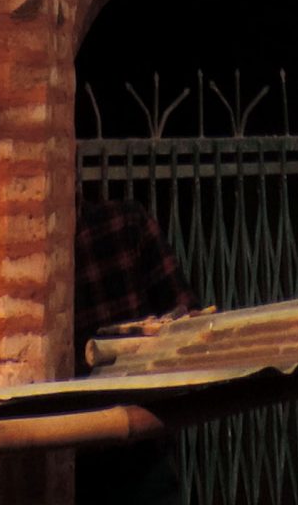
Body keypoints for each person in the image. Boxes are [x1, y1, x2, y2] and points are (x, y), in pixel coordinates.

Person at [73, 197, 193, 505]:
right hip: (138, 435)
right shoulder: (126, 223)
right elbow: (186, 319)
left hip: (82, 445)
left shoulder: (123, 225)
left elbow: (184, 318)